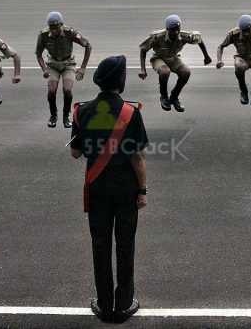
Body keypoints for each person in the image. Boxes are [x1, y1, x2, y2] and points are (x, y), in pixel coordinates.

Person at [70, 55, 148, 324]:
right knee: (125, 245)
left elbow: (75, 153)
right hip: (126, 188)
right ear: (120, 81)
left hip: (98, 187)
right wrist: (142, 191)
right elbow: (137, 158)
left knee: (100, 245)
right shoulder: (131, 112)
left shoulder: (82, 111)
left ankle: (104, 305)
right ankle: (124, 305)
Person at [138, 15, 212, 112]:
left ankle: (174, 98)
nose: (176, 32)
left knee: (186, 72)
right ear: (167, 29)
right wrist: (143, 69)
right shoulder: (157, 37)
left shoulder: (185, 36)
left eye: (178, 29)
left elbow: (199, 40)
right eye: (173, 30)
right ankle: (164, 97)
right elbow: (143, 49)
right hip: (159, 58)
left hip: (173, 58)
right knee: (165, 72)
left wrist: (206, 56)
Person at [35, 11, 92, 128]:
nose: (54, 30)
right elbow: (38, 54)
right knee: (51, 90)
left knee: (67, 89)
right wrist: (44, 69)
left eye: (57, 27)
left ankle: (66, 116)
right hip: (53, 64)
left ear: (61, 24)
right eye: (52, 28)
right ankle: (53, 115)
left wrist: (83, 68)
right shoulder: (43, 35)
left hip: (68, 64)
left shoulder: (70, 32)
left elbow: (88, 46)